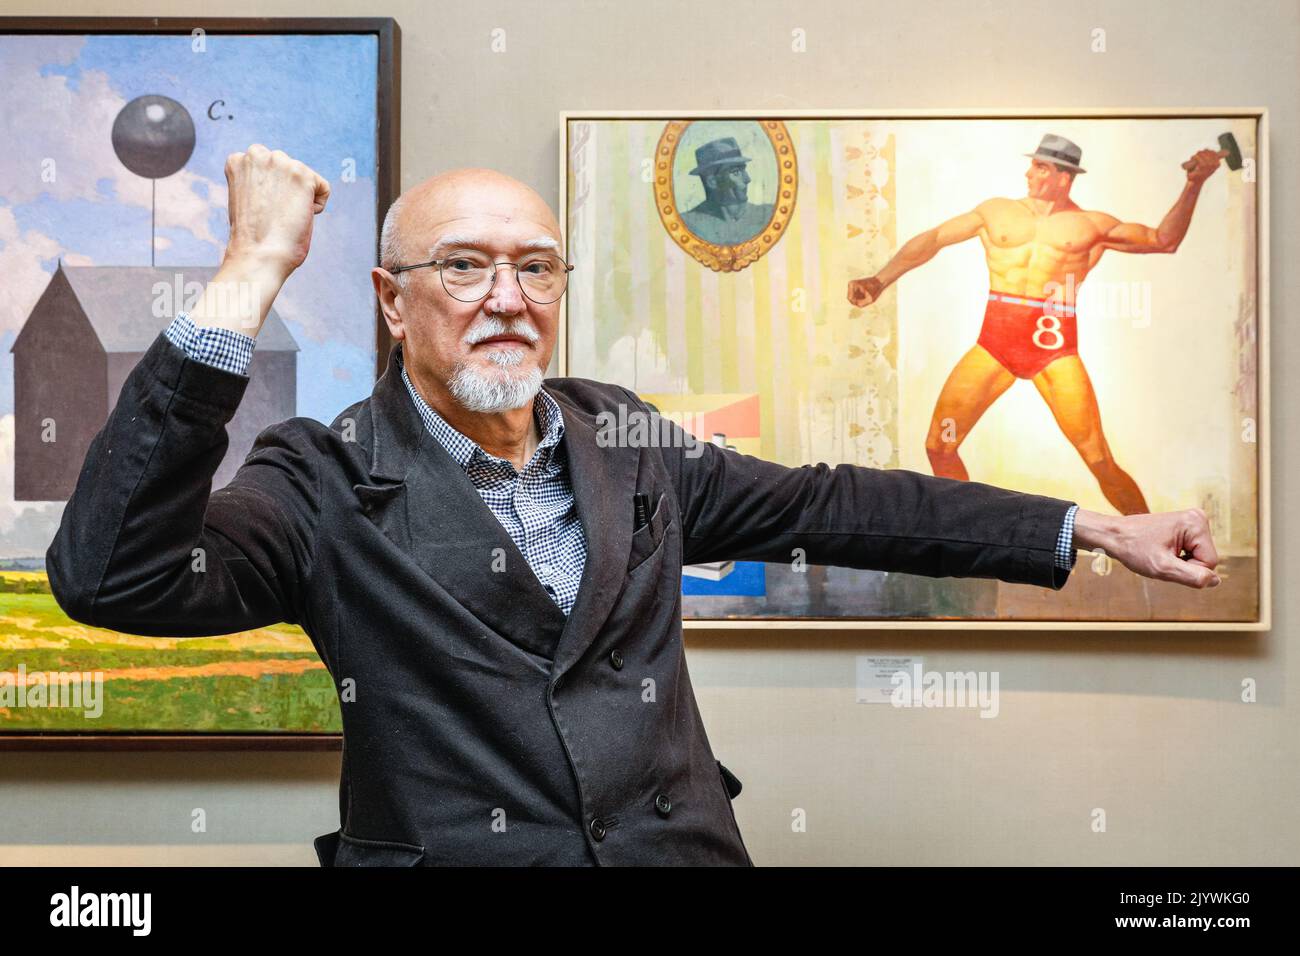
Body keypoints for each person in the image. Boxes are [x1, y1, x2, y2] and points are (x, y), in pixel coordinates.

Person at [47, 145, 1221, 866]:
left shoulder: (625, 436)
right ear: (390, 302)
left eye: (537, 265)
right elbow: (114, 576)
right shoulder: (319, 475)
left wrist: (1084, 525)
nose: (507, 297)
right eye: (462, 265)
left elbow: (831, 501)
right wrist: (247, 275)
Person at [847, 134, 1223, 515]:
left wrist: (1194, 184)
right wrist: (880, 280)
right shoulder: (996, 212)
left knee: (1098, 459)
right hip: (995, 346)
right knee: (939, 445)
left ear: (1064, 177)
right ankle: (977, 533)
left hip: (1054, 352)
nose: (1029, 173)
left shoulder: (1090, 225)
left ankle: (1152, 539)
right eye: (1032, 164)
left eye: (1041, 167)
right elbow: (935, 239)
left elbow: (1163, 240)